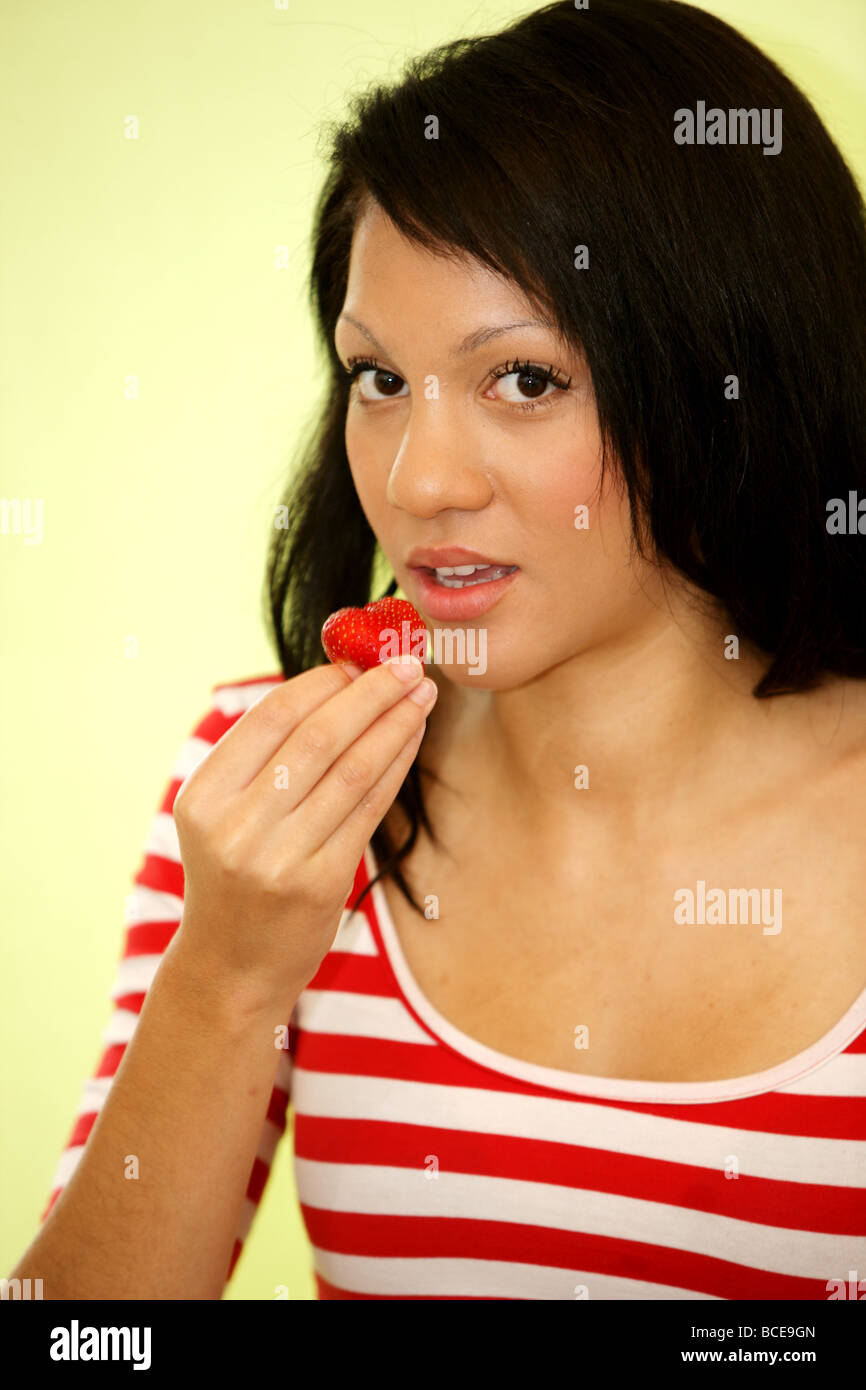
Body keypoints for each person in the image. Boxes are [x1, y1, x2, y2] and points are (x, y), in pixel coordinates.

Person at [10, 0, 866, 1300]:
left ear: (724, 371)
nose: (417, 480)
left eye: (521, 379)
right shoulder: (262, 797)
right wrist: (227, 976)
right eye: (377, 379)